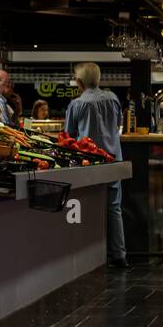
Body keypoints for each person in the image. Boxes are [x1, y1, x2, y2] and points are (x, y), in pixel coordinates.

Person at [65, 62, 127, 268]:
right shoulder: (113, 98)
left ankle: (89, 257)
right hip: (114, 159)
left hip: (88, 162)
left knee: (87, 207)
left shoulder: (77, 104)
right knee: (114, 207)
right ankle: (119, 254)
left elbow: (68, 136)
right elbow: (118, 125)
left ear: (79, 82)